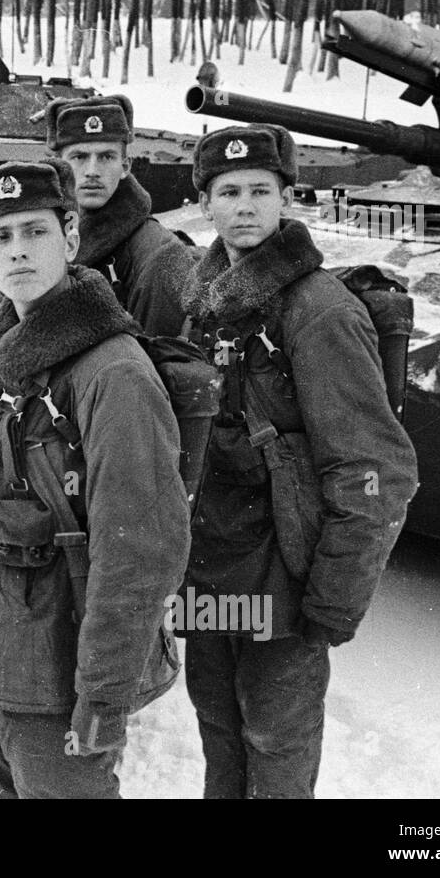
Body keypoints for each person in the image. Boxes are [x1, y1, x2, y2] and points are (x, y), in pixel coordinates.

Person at [0, 161, 189, 798]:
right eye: (1, 236)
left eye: (35, 231)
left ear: (71, 240)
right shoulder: (3, 347)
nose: (18, 251)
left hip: (56, 672)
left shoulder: (111, 372)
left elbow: (139, 549)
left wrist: (105, 692)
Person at [179, 124, 418, 798]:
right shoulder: (204, 305)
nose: (246, 205)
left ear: (288, 198)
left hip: (283, 577)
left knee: (276, 748)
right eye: (229, 192)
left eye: (262, 189)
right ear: (206, 204)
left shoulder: (318, 311)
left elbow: (375, 469)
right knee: (219, 731)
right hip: (213, 566)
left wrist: (335, 598)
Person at [44, 95, 195, 337]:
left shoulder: (160, 255)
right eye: (79, 157)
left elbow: (161, 358)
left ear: (125, 166)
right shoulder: (41, 232)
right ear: (58, 166)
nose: (92, 171)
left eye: (106, 157)